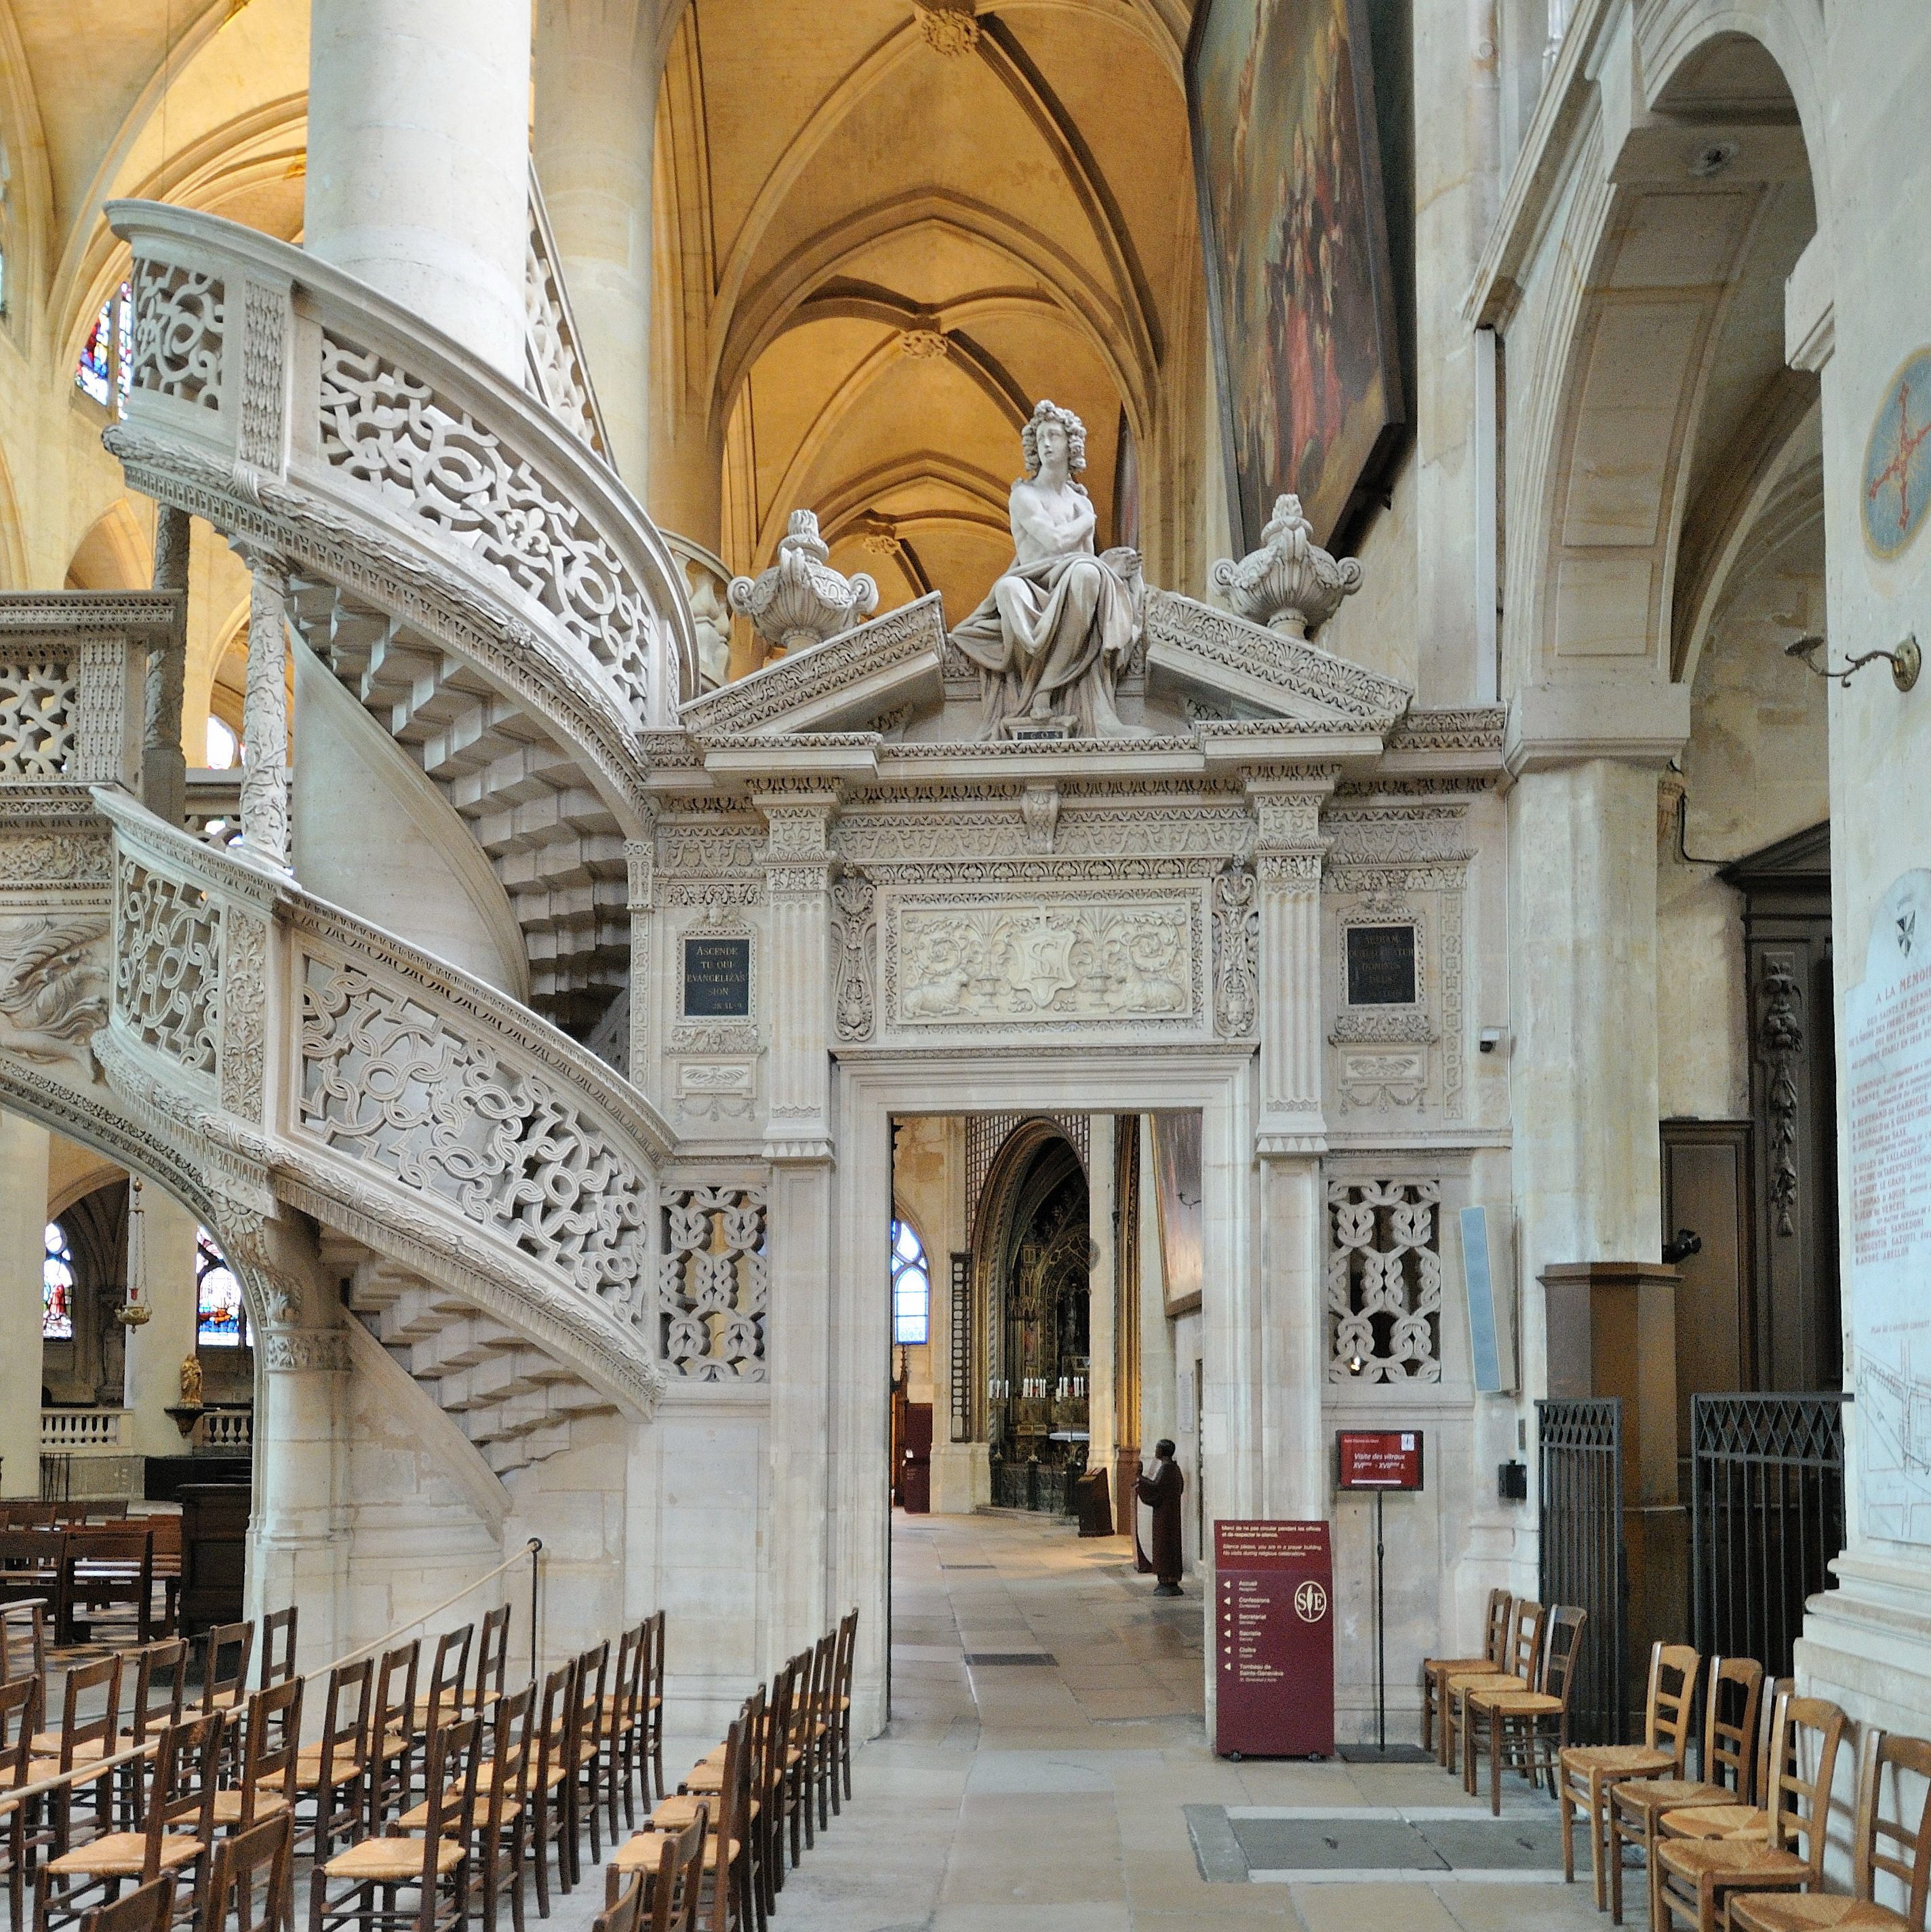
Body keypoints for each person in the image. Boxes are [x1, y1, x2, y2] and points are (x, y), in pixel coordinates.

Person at [949, 399, 1148, 738]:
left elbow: (1086, 560)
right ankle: (1036, 682)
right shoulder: (1025, 496)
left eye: (1053, 435)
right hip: (1031, 580)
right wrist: (1088, 521)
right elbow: (1055, 542)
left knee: (1088, 574)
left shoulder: (1080, 502)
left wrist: (1113, 566)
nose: (1046, 443)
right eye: (1040, 437)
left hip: (1071, 582)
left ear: (1070, 444)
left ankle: (1046, 688)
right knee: (1010, 589)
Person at [1136, 1438, 1186, 1596]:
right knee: (1169, 1547)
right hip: (1170, 1515)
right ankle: (1168, 1579)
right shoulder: (1173, 1469)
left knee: (1164, 1547)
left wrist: (1140, 1478)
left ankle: (1166, 1580)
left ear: (1162, 1451)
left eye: (1157, 1448)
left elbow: (1156, 1489)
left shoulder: (1167, 1470)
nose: (1156, 1451)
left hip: (1165, 1518)